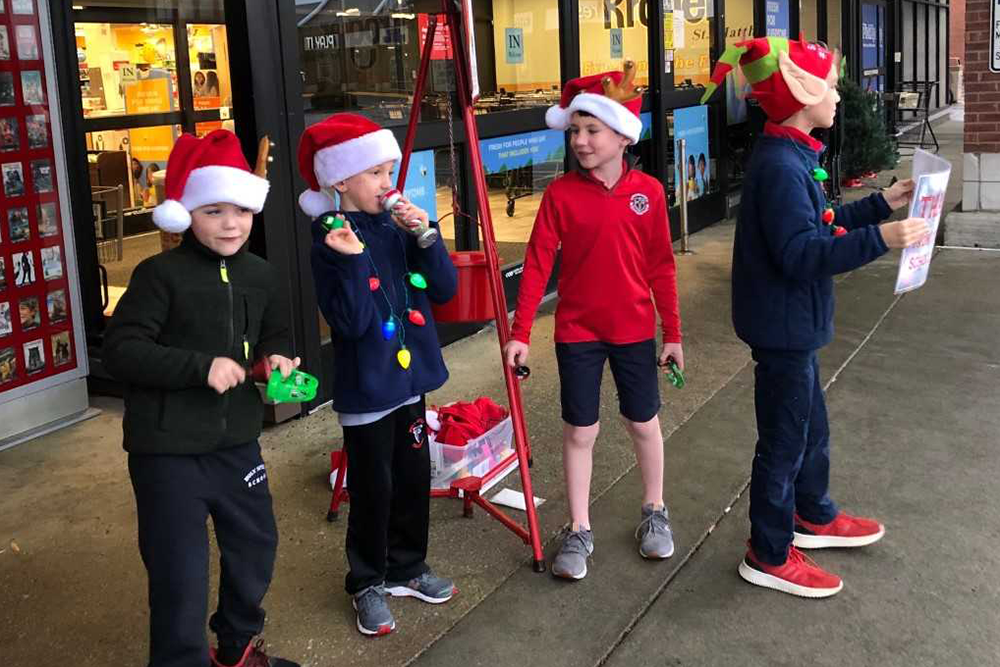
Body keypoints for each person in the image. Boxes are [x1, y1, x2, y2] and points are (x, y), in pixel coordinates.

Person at [701, 37, 928, 598]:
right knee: (784, 440)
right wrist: (883, 237)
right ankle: (769, 552)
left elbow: (819, 222)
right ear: (803, 95)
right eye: (828, 87)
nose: (836, 98)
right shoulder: (781, 166)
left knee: (809, 429)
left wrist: (884, 202)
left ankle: (813, 514)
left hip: (793, 325)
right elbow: (804, 253)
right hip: (783, 329)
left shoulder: (792, 154)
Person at [102, 129, 301, 667]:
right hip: (166, 456)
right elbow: (121, 350)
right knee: (179, 576)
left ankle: (236, 648)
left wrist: (278, 359)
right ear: (185, 212)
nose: (230, 223)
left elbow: (275, 335)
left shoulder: (260, 275)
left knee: (255, 551)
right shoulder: (157, 275)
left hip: (237, 445)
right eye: (213, 211)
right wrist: (199, 367)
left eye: (240, 209)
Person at [503, 61, 683, 580]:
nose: (580, 141)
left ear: (622, 135)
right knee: (580, 430)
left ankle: (654, 510)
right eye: (575, 130)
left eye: (591, 130)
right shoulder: (561, 195)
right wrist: (520, 334)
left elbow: (661, 268)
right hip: (576, 332)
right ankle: (579, 527)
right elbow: (537, 263)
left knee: (642, 422)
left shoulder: (647, 193)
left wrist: (672, 334)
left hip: (632, 330)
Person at [297, 113, 459, 636]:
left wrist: (427, 237)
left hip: (407, 382)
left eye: (391, 173)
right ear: (341, 179)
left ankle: (407, 567)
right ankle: (367, 581)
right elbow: (351, 323)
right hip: (368, 386)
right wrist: (348, 261)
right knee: (373, 488)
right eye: (378, 175)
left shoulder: (395, 225)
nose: (390, 186)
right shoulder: (331, 237)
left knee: (413, 478)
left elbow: (445, 290)